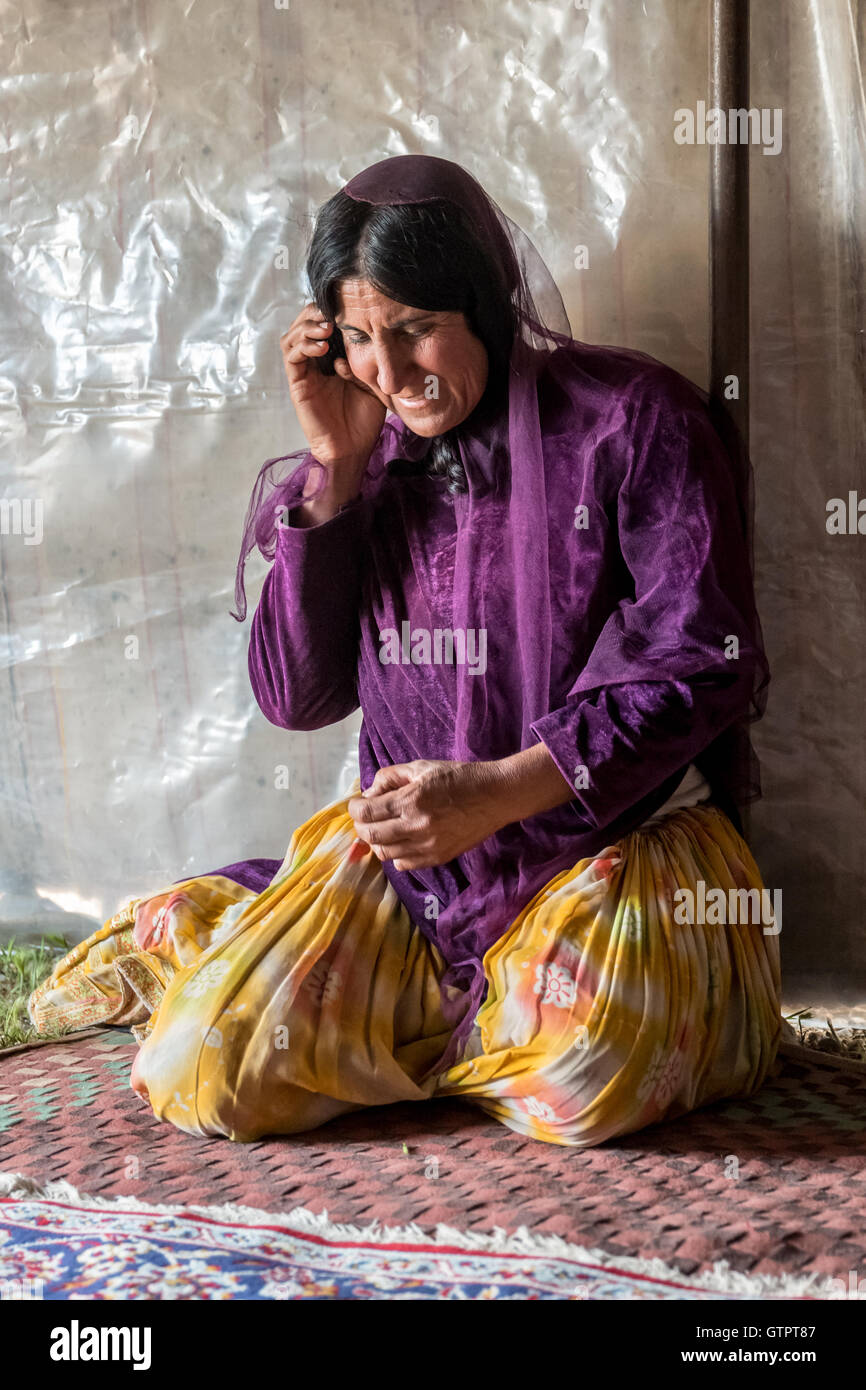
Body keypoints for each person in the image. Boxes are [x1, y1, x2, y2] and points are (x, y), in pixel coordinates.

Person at [29, 154, 784, 1147]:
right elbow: (299, 697)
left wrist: (497, 791)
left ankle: (417, 1026)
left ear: (481, 301)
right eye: (357, 337)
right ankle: (451, 1021)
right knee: (206, 1067)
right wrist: (334, 470)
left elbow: (702, 661)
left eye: (417, 328)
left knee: (587, 1072)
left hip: (618, 845)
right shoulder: (372, 455)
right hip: (421, 864)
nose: (391, 375)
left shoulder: (630, 422)